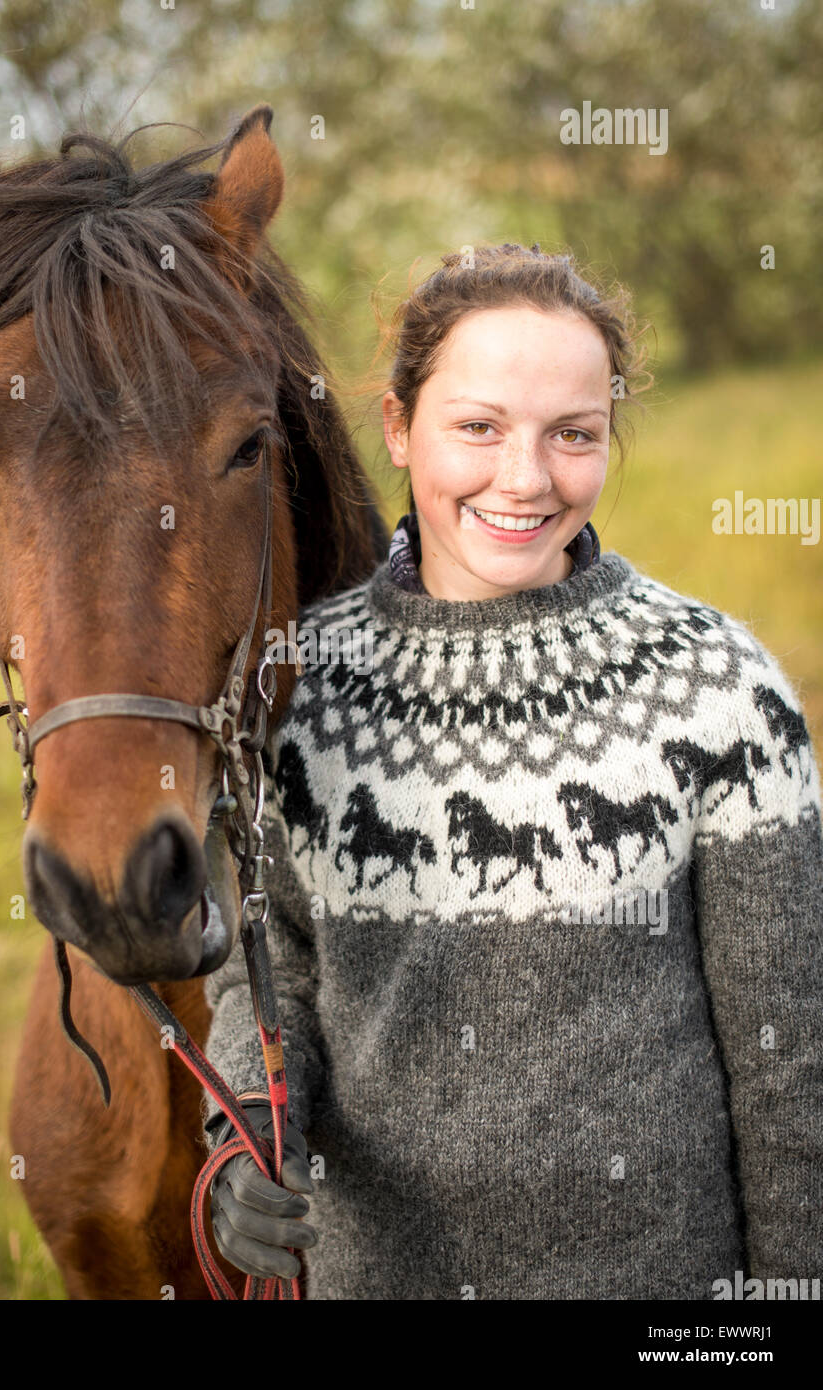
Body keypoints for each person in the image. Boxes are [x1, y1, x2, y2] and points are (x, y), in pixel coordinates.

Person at [200, 242, 823, 1299]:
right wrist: (242, 1128)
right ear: (399, 428)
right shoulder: (300, 686)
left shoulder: (720, 690)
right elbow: (274, 978)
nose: (525, 478)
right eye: (478, 427)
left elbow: (791, 1060)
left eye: (572, 435)